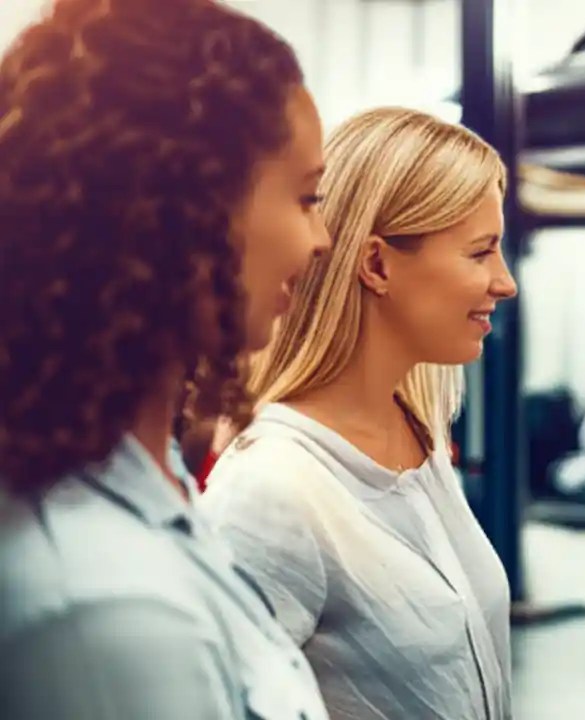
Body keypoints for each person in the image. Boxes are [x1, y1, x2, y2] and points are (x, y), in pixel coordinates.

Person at [0, 0, 332, 717]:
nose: (321, 240)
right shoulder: (107, 615)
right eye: (306, 198)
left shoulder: (153, 479)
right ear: (191, 210)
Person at [198, 107, 519, 720]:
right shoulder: (270, 493)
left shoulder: (418, 435)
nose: (504, 282)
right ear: (376, 265)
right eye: (480, 253)